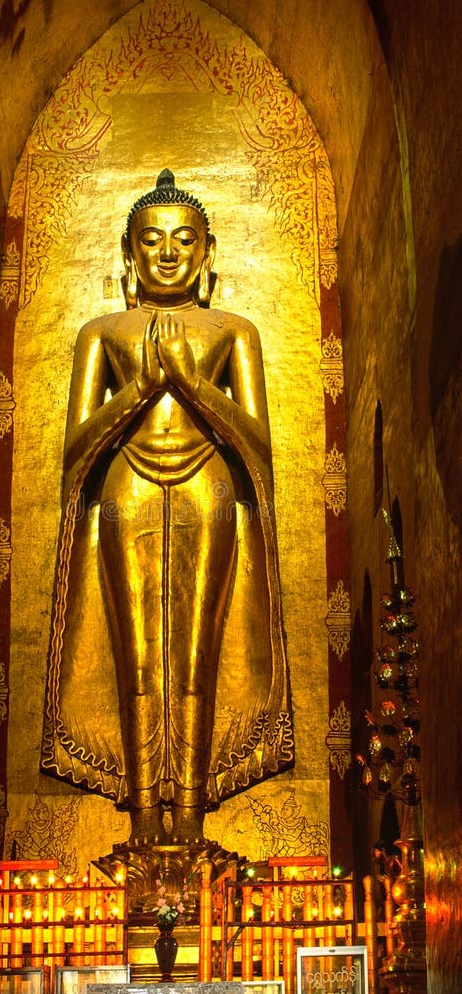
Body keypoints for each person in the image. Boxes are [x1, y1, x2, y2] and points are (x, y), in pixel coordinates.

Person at [42, 170, 293, 846]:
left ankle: (189, 822)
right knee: (139, 656)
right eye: (151, 241)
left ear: (208, 253)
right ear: (129, 254)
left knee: (198, 655)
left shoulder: (233, 330)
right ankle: (145, 823)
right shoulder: (103, 332)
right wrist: (142, 389)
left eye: (185, 239)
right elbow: (75, 452)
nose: (169, 253)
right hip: (127, 484)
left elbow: (260, 447)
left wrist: (188, 381)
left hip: (206, 482)